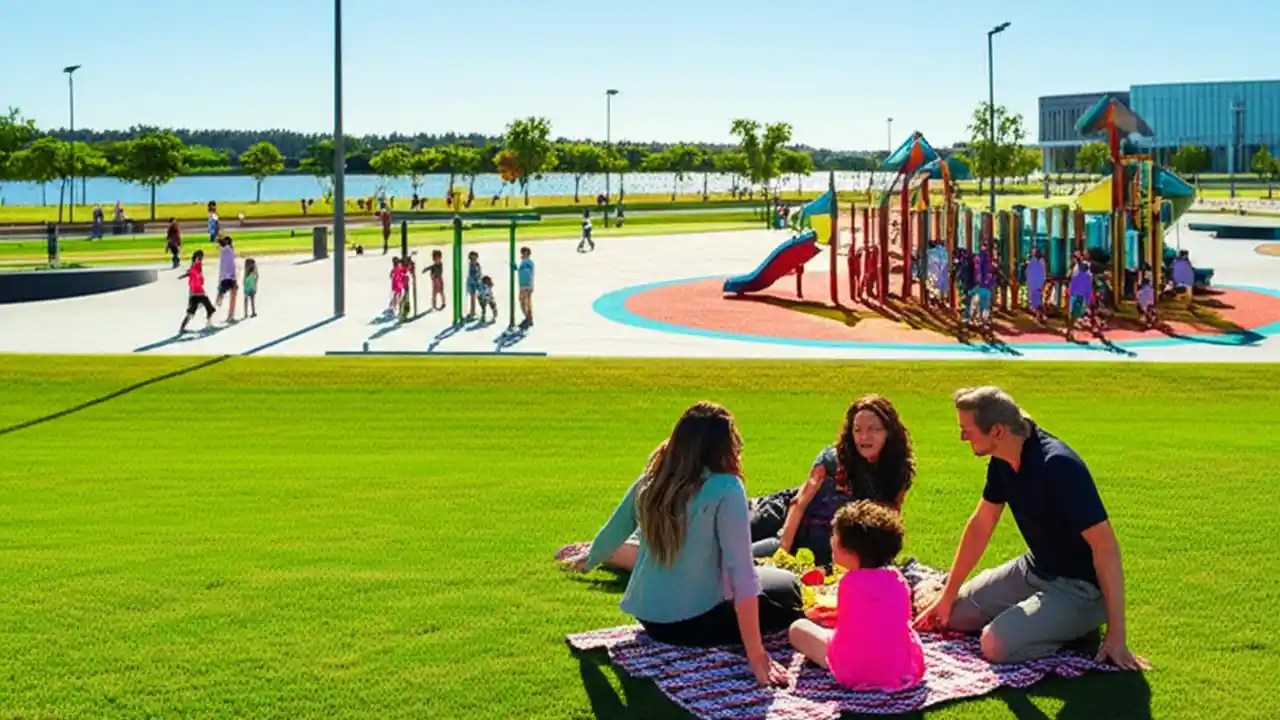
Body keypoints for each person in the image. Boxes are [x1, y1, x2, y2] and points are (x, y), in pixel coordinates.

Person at [565, 402, 801, 688]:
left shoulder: (651, 482)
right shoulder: (726, 488)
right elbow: (742, 574)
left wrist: (588, 561)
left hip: (649, 621)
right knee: (789, 588)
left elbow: (612, 532)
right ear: (721, 446)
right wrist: (756, 654)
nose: (738, 444)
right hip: (693, 625)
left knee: (766, 576)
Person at [914, 387, 1150, 670]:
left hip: (1082, 589)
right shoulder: (1001, 461)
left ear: (998, 431)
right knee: (950, 616)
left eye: (967, 429)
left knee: (994, 644)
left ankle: (1076, 632)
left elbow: (1106, 546)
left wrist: (1117, 635)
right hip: (1035, 569)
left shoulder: (1059, 466)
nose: (962, 436)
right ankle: (1047, 623)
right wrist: (948, 595)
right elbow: (981, 526)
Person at [751, 395, 916, 567]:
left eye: (873, 429)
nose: (864, 436)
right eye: (857, 430)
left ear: (889, 431)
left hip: (828, 546)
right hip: (784, 520)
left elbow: (889, 522)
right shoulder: (833, 458)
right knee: (736, 557)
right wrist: (783, 549)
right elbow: (800, 502)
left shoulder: (898, 472)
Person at [787, 501, 925, 691]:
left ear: (852, 552)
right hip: (899, 670)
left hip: (851, 671)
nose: (831, 541)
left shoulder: (849, 584)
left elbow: (846, 634)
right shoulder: (898, 580)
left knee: (798, 629)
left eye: (835, 537)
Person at [178, 250, 215, 333]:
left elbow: (196, 274)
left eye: (201, 258)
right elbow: (193, 272)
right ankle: (182, 328)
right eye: (199, 258)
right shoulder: (194, 266)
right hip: (195, 293)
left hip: (200, 292)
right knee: (190, 312)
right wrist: (187, 274)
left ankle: (209, 324)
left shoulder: (198, 265)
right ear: (195, 258)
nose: (200, 259)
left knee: (210, 309)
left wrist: (199, 278)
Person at [215, 236, 239, 322]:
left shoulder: (223, 250)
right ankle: (230, 315)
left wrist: (218, 239)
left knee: (221, 295)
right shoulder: (230, 249)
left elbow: (219, 243)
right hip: (231, 276)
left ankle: (214, 314)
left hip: (225, 277)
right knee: (233, 295)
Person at [1025, 247, 1047, 323]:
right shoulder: (1032, 260)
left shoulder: (1041, 261)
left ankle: (1042, 315)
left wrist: (1042, 283)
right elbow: (1028, 272)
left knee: (1037, 301)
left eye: (1034, 251)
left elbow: (1043, 273)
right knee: (1035, 301)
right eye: (1032, 251)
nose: (1033, 253)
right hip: (1033, 283)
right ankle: (1039, 316)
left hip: (1038, 284)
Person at [516, 246, 534, 329]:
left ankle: (528, 319)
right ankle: (528, 318)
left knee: (526, 302)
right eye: (522, 252)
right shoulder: (523, 262)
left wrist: (529, 286)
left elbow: (527, 273)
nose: (523, 254)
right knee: (523, 302)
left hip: (526, 285)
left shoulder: (528, 262)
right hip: (522, 285)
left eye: (525, 252)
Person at [465, 251, 483, 320]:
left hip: (476, 284)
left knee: (476, 298)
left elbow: (480, 274)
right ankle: (472, 312)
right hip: (472, 284)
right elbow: (471, 276)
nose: (473, 261)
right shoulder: (471, 266)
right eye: (472, 259)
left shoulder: (477, 265)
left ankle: (473, 312)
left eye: (475, 259)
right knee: (473, 298)